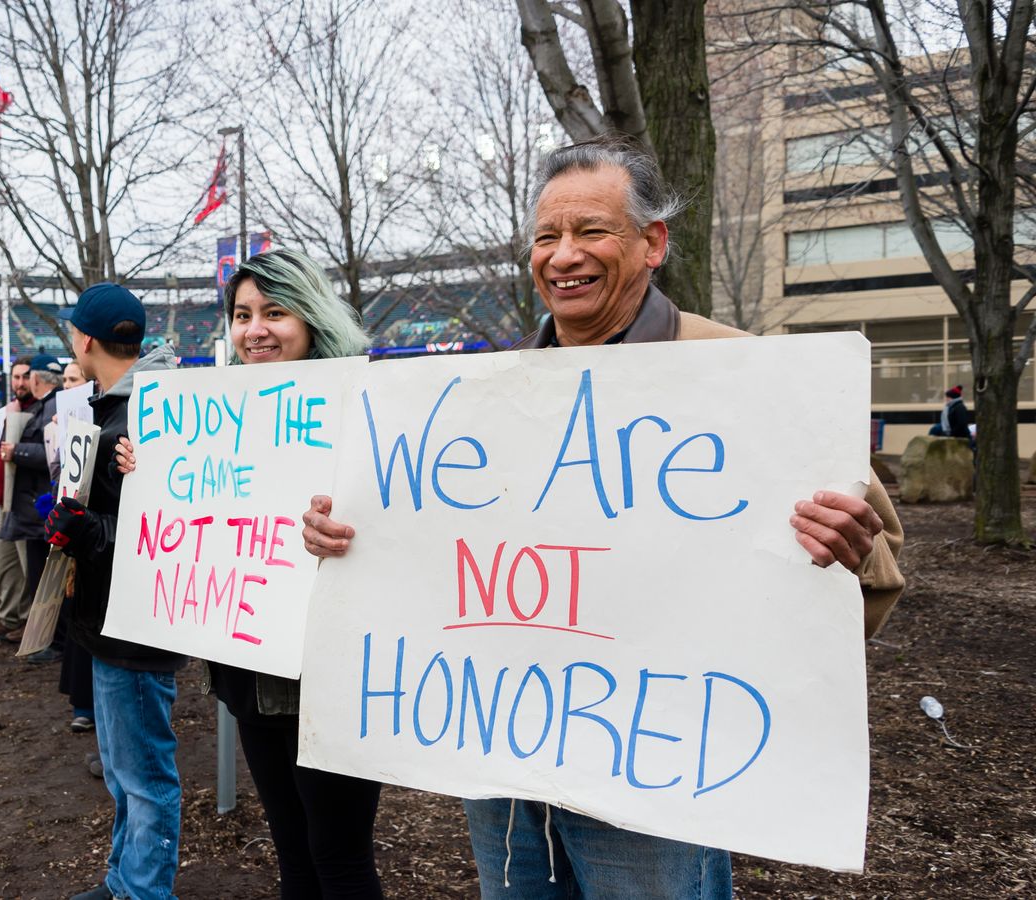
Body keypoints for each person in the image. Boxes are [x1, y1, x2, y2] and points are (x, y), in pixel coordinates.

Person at [299, 134, 906, 900]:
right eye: (546, 237)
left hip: (657, 776)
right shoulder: (480, 405)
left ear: (652, 243)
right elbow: (428, 560)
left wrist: (847, 550)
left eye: (590, 231)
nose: (563, 255)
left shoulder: (747, 380)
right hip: (502, 768)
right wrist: (344, 536)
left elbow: (876, 567)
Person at [116, 248, 386, 899]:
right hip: (248, 671)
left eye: (275, 311)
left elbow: (400, 529)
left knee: (338, 854)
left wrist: (347, 530)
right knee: (291, 844)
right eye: (242, 314)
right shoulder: (213, 409)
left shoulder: (362, 403)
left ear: (311, 316)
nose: (255, 329)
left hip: (332, 674)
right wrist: (148, 476)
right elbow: (207, 518)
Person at [44, 283, 183, 900]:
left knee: (145, 775)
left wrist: (85, 530)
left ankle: (146, 891)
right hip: (105, 616)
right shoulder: (110, 407)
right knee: (127, 774)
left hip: (138, 625)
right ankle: (126, 881)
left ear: (85, 339)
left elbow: (166, 528)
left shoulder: (149, 413)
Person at [0, 353, 64, 650]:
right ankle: (40, 636)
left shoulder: (52, 406)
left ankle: (44, 640)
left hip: (39, 507)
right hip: (31, 507)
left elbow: (52, 453)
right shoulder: (41, 407)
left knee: (39, 577)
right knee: (33, 575)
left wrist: (17, 451)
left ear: (35, 379)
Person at [0, 360, 35, 642]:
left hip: (25, 502)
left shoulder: (38, 412)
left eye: (26, 377)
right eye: (16, 377)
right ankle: (8, 616)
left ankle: (27, 622)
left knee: (28, 567)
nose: (21, 383)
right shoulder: (11, 410)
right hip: (5, 502)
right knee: (6, 564)